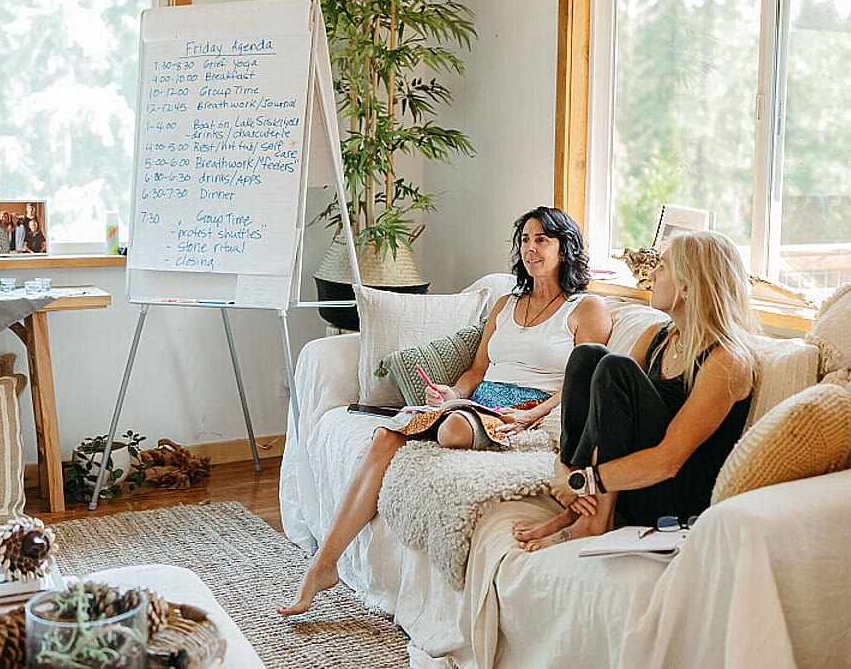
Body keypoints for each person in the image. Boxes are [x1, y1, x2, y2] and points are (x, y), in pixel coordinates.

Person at [278, 206, 612, 616]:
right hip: (478, 401)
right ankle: (323, 565)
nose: (531, 248)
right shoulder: (507, 303)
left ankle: (449, 421)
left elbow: (580, 383)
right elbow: (477, 369)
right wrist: (450, 391)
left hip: (527, 409)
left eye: (542, 239)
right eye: (525, 240)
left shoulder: (585, 308)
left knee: (453, 428)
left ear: (566, 248)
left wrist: (532, 415)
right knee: (386, 436)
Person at [514, 229, 760, 551]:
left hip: (674, 493)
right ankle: (580, 511)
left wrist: (584, 481)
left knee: (616, 368)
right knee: (590, 356)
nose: (653, 273)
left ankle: (595, 519)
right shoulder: (658, 335)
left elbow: (669, 461)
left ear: (687, 286)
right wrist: (565, 470)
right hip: (625, 483)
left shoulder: (727, 360)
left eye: (664, 265)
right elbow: (605, 408)